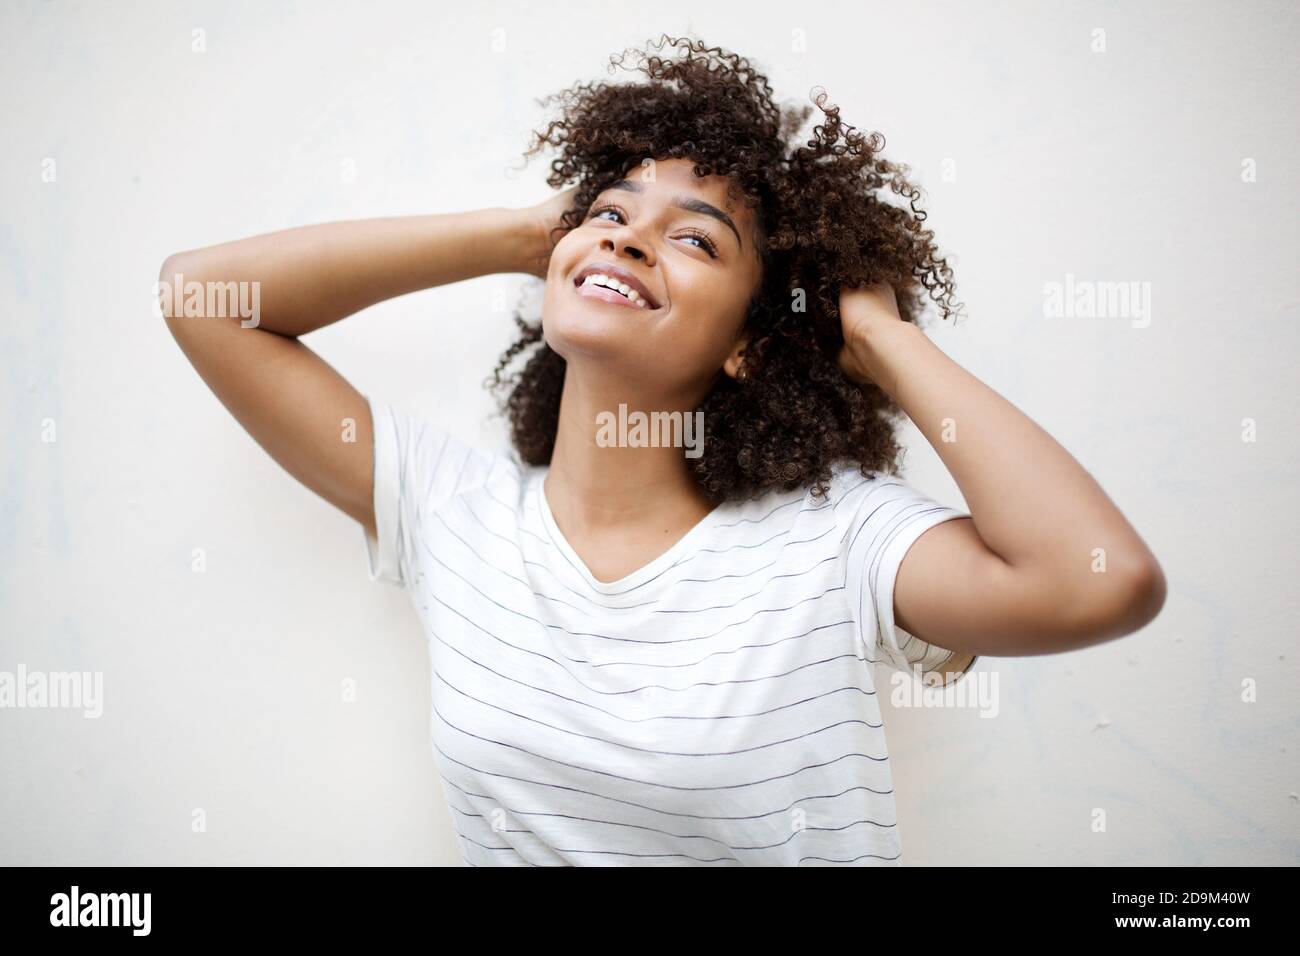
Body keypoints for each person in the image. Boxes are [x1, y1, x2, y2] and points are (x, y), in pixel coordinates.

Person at [159, 36, 1165, 866]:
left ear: (746, 345)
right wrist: (529, 232)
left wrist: (881, 339)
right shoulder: (452, 512)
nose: (629, 238)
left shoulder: (833, 541)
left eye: (695, 238)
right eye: (608, 212)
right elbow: (203, 300)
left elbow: (1100, 579)